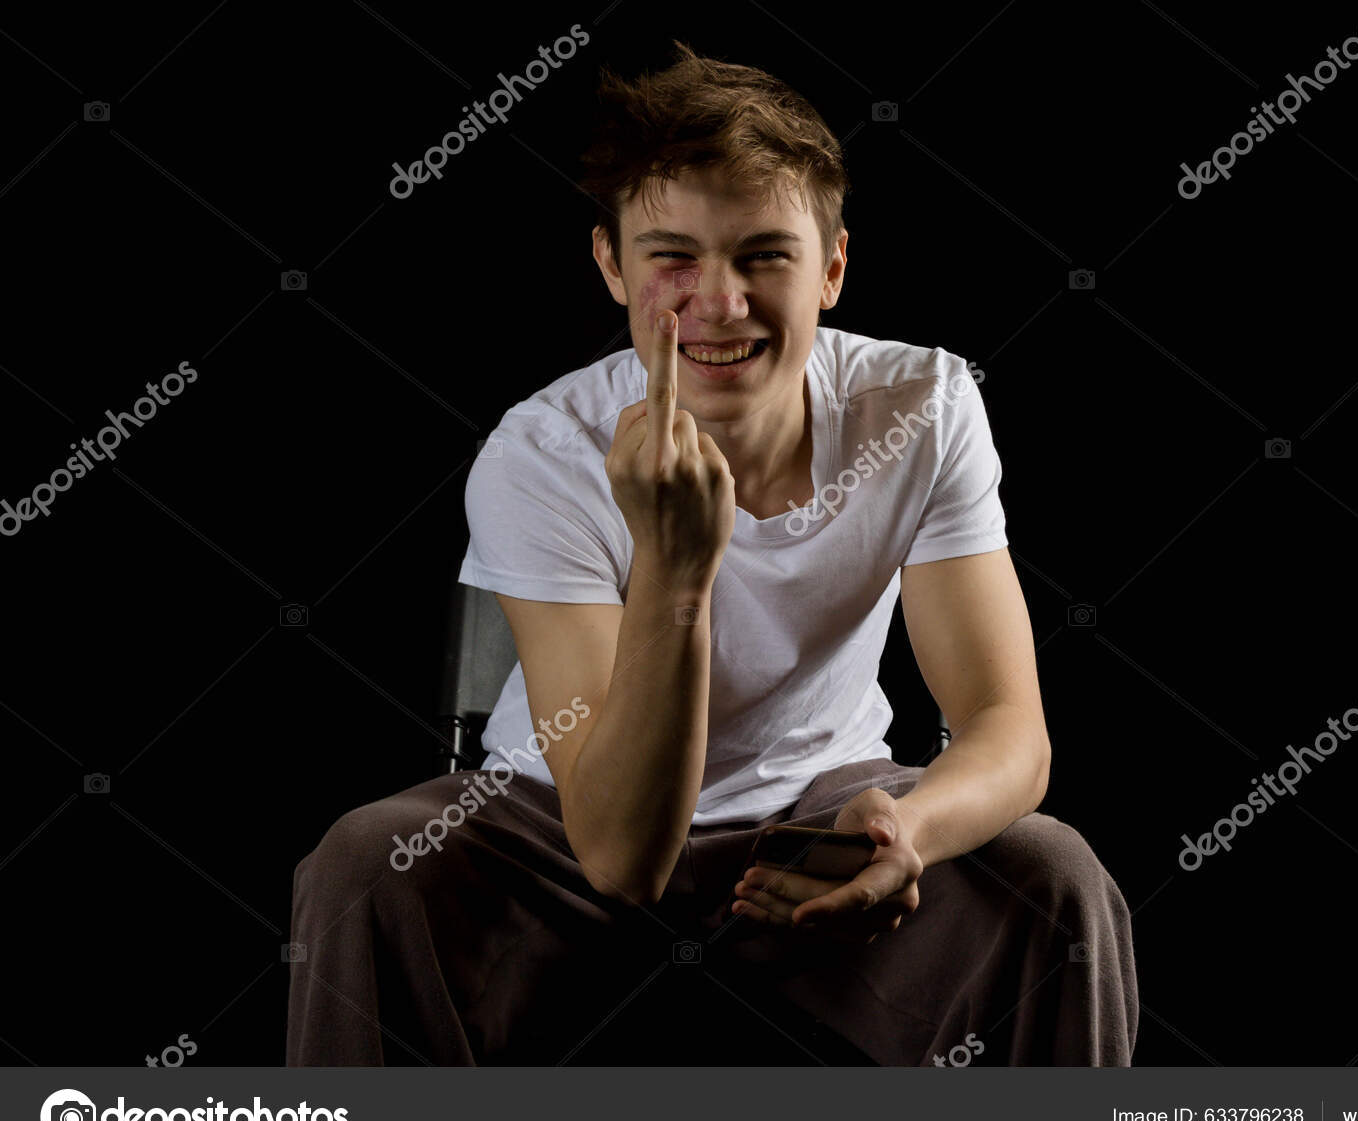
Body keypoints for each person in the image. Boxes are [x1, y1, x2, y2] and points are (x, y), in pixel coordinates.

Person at [286, 41, 1138, 1067]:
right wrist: (678, 573)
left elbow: (1009, 732)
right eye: (672, 257)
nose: (719, 301)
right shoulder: (543, 453)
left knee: (1053, 875)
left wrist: (908, 829)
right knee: (364, 864)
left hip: (817, 814)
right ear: (611, 266)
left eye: (764, 255)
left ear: (831, 268)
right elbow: (621, 855)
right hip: (559, 824)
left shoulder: (922, 405)